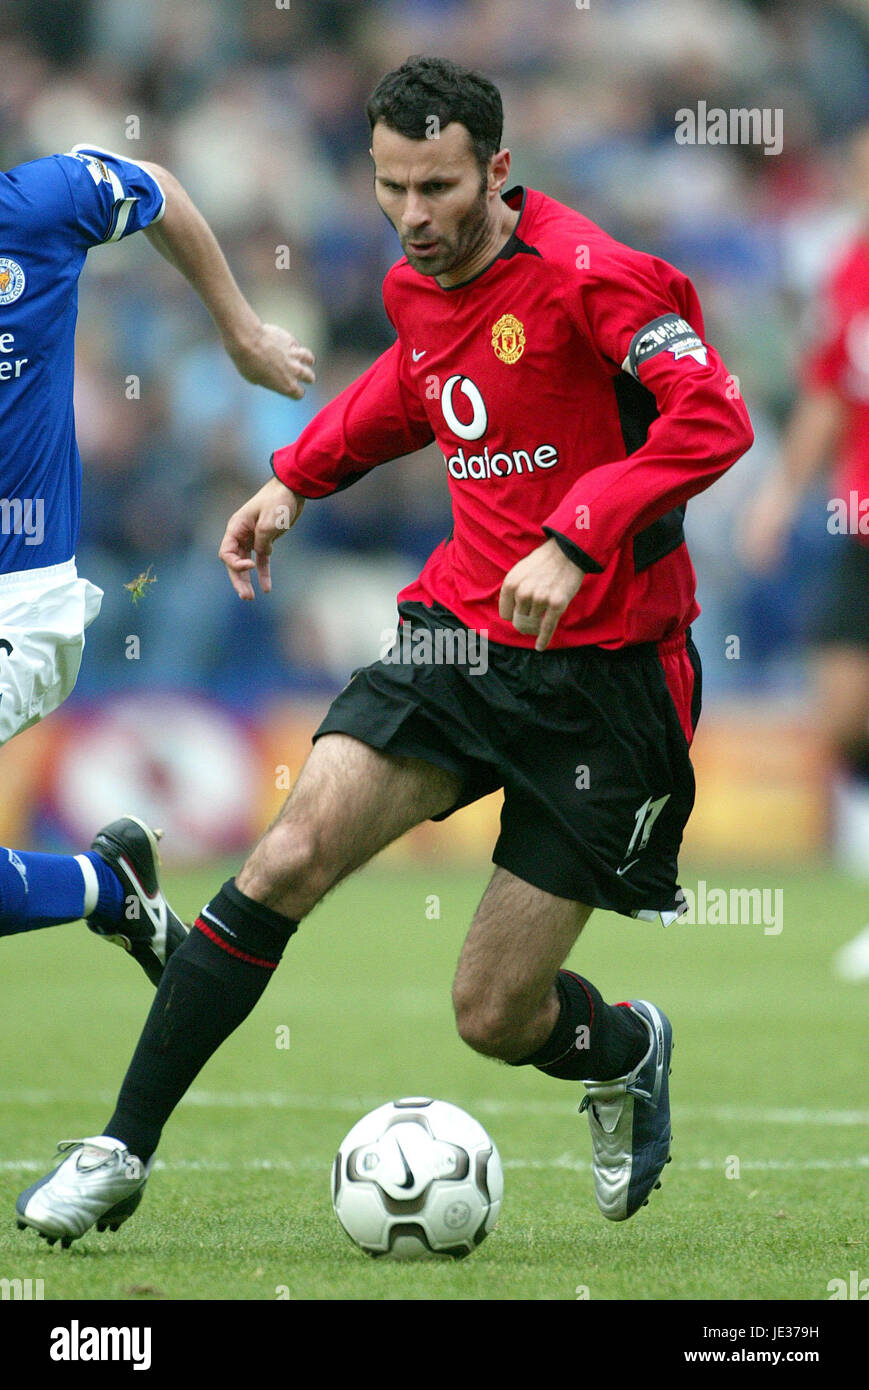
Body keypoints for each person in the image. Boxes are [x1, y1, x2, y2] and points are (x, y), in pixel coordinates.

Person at [17, 57, 752, 1247]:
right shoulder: (417, 282)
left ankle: (624, 1047)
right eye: (389, 187)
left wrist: (576, 536)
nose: (412, 216)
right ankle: (119, 1149)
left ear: (496, 173)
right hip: (459, 641)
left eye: (437, 188)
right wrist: (292, 479)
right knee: (288, 853)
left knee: (491, 1012)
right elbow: (420, 386)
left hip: (609, 680)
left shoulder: (590, 277)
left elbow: (712, 413)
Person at [0, 143, 314, 984]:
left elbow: (160, 189)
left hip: (20, 604)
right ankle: (109, 888)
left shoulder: (36, 206)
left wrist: (242, 332)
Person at [743, 124, 869, 978]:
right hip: (859, 521)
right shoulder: (853, 270)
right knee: (845, 708)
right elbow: (828, 392)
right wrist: (779, 496)